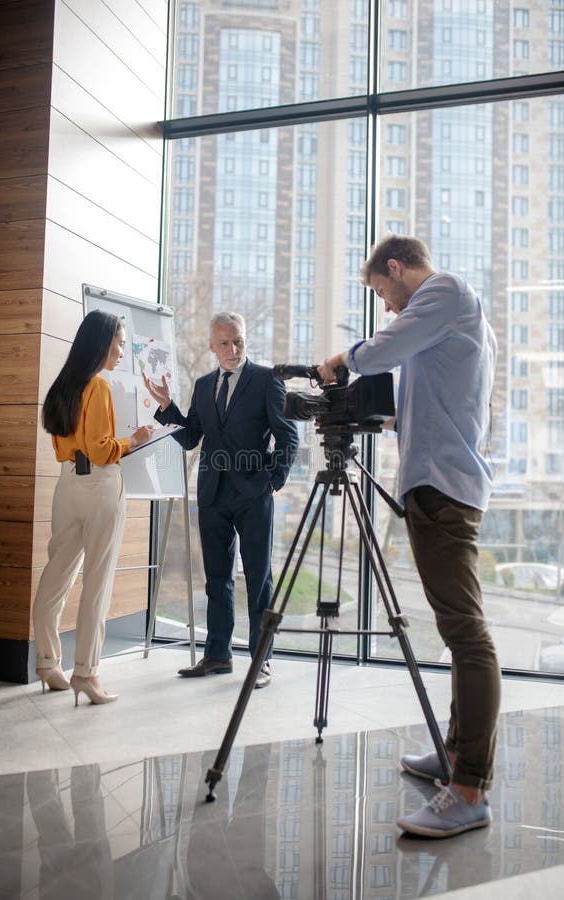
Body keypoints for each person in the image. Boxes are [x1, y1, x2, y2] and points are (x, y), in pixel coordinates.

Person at [319, 234, 501, 838]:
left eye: (382, 293)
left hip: (445, 490)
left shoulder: (445, 291)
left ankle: (469, 787)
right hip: (439, 485)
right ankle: (454, 756)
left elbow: (380, 352)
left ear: (396, 269)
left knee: (467, 635)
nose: (388, 309)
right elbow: (447, 400)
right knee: (457, 632)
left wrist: (344, 359)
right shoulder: (449, 319)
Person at [143, 311, 298, 689]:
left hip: (253, 494)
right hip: (212, 493)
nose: (233, 349)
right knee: (217, 579)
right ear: (212, 346)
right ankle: (218, 655)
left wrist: (273, 481)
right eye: (225, 343)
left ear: (245, 340)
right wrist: (167, 410)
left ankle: (262, 661)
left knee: (259, 579)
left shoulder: (266, 380)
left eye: (239, 340)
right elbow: (192, 436)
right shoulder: (202, 385)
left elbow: (288, 436)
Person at [33, 310, 153, 706]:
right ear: (101, 343)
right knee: (97, 582)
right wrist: (133, 440)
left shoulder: (63, 385)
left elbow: (63, 445)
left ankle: (49, 663)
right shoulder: (97, 386)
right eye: (118, 342)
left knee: (57, 575)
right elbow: (102, 450)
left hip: (66, 485)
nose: (121, 350)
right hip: (100, 486)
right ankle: (87, 673)